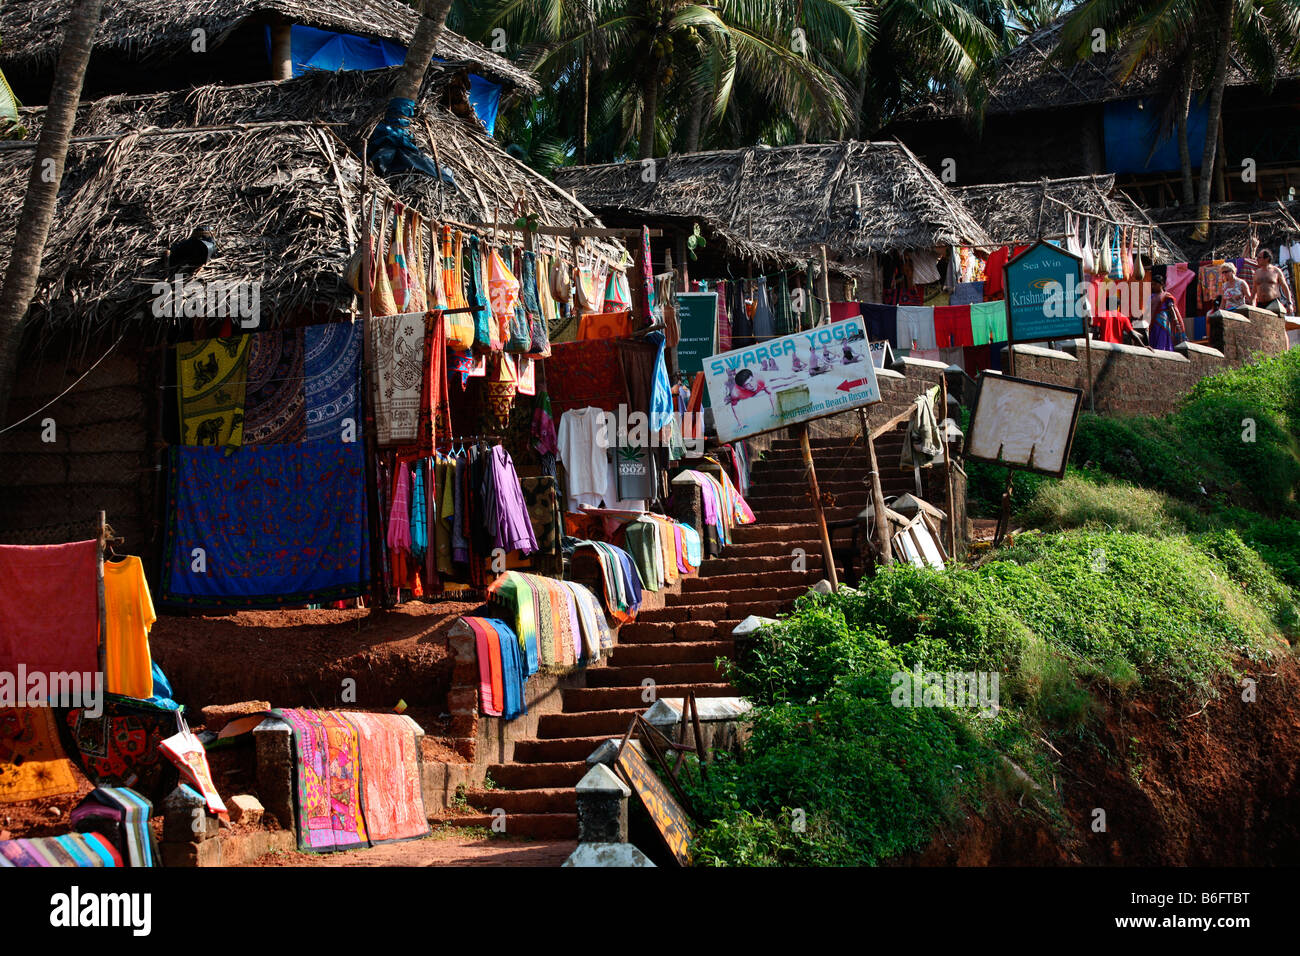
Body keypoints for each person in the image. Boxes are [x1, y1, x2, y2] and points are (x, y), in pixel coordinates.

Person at [1147, 276, 1185, 350]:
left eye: (1155, 284)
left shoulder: (1167, 296)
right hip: (1152, 322)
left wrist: (1176, 322)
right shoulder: (1151, 297)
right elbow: (1147, 310)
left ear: (1161, 284)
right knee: (1153, 337)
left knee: (1162, 337)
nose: (1153, 286)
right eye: (1152, 285)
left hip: (1163, 322)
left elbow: (1172, 308)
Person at [1253, 250, 1293, 314]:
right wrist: (1252, 303)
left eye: (1259, 257)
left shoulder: (1276, 271)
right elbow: (1254, 290)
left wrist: (1289, 303)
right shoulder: (1257, 273)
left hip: (1274, 303)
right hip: (1260, 304)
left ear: (1267, 259)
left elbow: (1285, 287)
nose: (1257, 259)